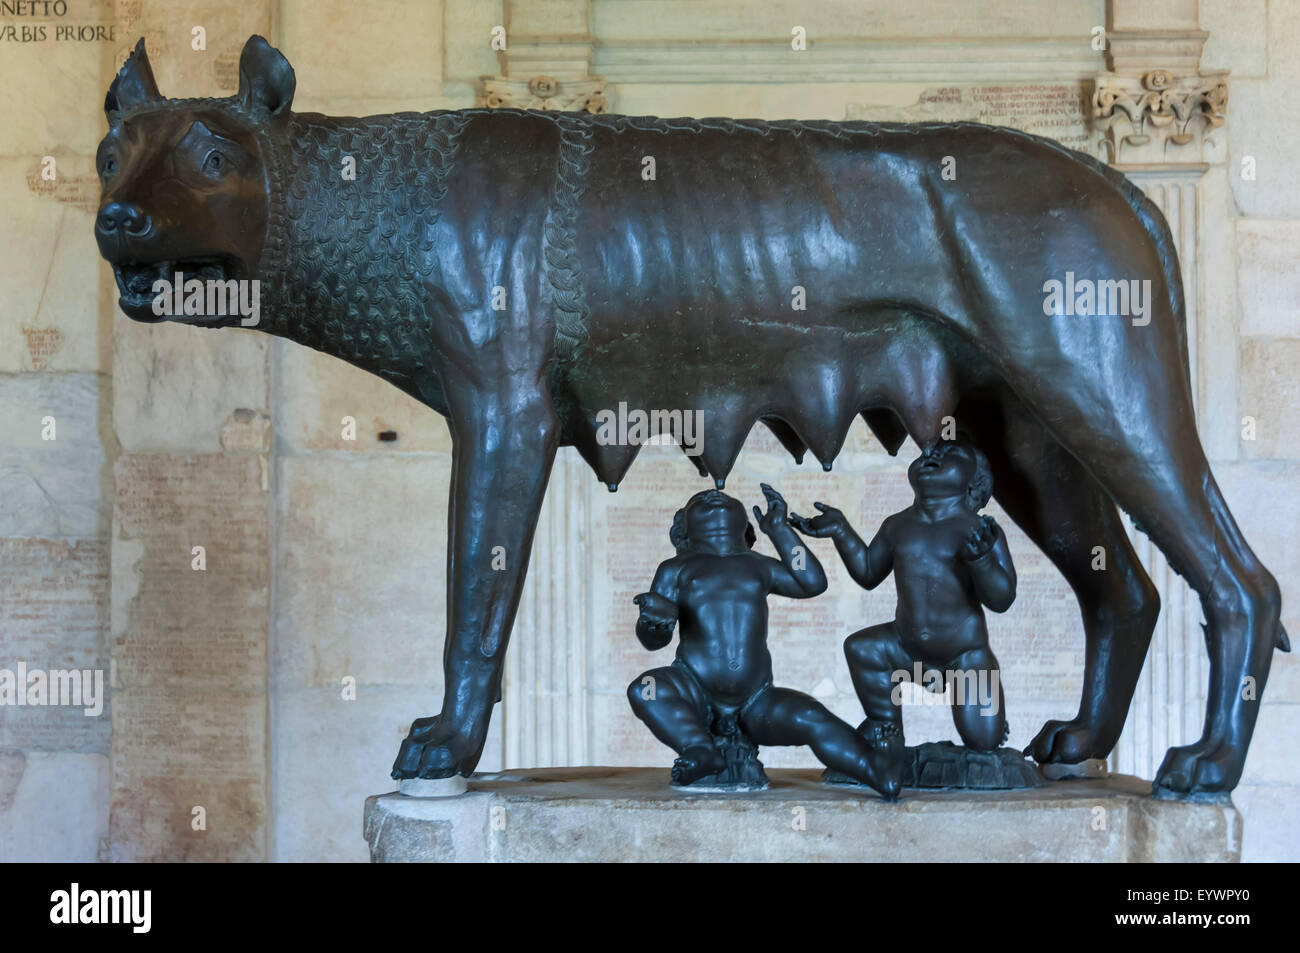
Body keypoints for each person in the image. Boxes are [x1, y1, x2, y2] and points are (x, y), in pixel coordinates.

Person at [629, 484, 900, 799]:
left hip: (757, 699)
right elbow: (653, 642)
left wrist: (779, 530)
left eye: (725, 498)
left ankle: (875, 770)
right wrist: (655, 619)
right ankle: (699, 748)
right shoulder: (675, 569)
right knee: (645, 689)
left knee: (811, 716)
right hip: (694, 688)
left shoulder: (757, 565)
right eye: (699, 499)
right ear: (684, 528)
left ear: (744, 525)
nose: (712, 495)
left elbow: (811, 581)